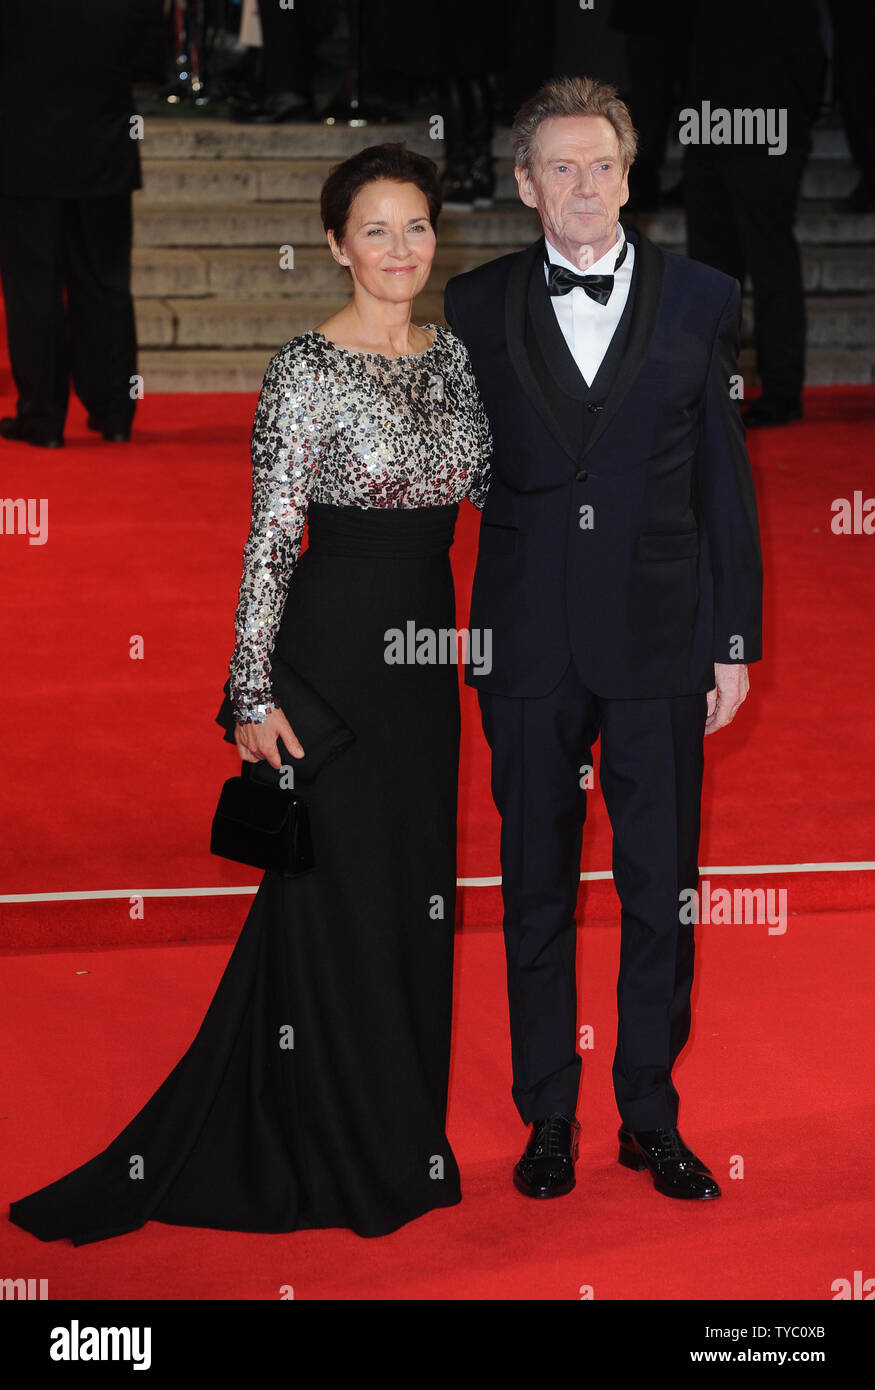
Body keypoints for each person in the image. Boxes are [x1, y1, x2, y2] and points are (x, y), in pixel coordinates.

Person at [8, 143, 491, 1244]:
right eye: (375, 230)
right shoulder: (303, 368)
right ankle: (332, 1144)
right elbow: (271, 537)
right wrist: (249, 689)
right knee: (336, 898)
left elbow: (498, 495)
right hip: (334, 663)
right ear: (336, 245)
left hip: (425, 668)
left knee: (411, 891)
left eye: (416, 226)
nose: (400, 248)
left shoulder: (457, 361)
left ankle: (399, 1135)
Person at [444, 76, 762, 1203]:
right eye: (560, 166)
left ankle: (648, 1114)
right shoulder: (473, 304)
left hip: (660, 638)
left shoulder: (701, 297)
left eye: (602, 165)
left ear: (630, 176)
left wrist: (732, 637)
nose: (583, 185)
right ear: (525, 183)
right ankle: (546, 1114)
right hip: (526, 640)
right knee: (533, 885)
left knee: (658, 884)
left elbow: (722, 476)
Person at [0, 0, 164, 449]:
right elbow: (152, 57)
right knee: (105, 283)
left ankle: (43, 418)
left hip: (25, 148)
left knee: (33, 290)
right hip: (103, 146)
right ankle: (114, 414)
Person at [682, 0, 826, 428]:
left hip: (765, 133)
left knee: (769, 266)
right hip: (710, 133)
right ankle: (715, 389)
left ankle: (781, 391)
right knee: (710, 274)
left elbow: (808, 57)